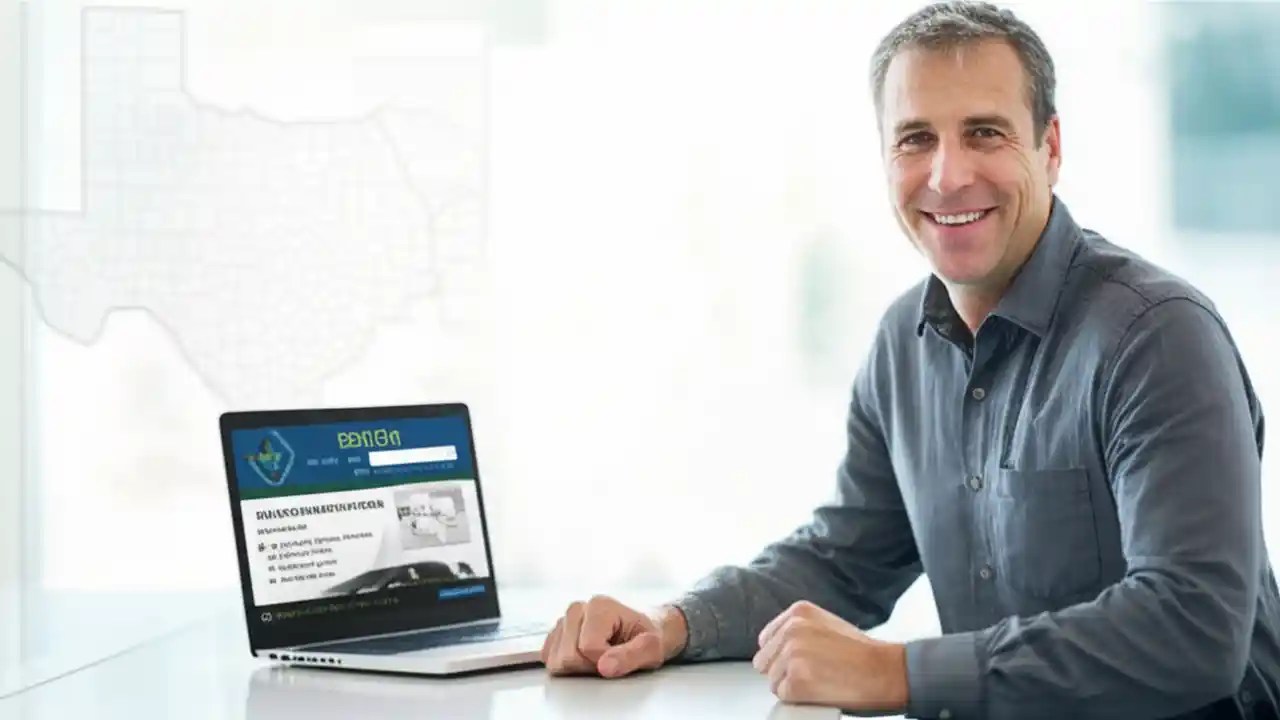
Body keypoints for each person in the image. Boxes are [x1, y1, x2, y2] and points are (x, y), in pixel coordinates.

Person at [539, 2, 1280, 718]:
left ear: (1049, 148)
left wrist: (897, 673)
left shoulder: (1157, 337)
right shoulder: (902, 343)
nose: (947, 175)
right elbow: (843, 561)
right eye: (916, 139)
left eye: (984, 133)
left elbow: (1193, 629)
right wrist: (673, 624)